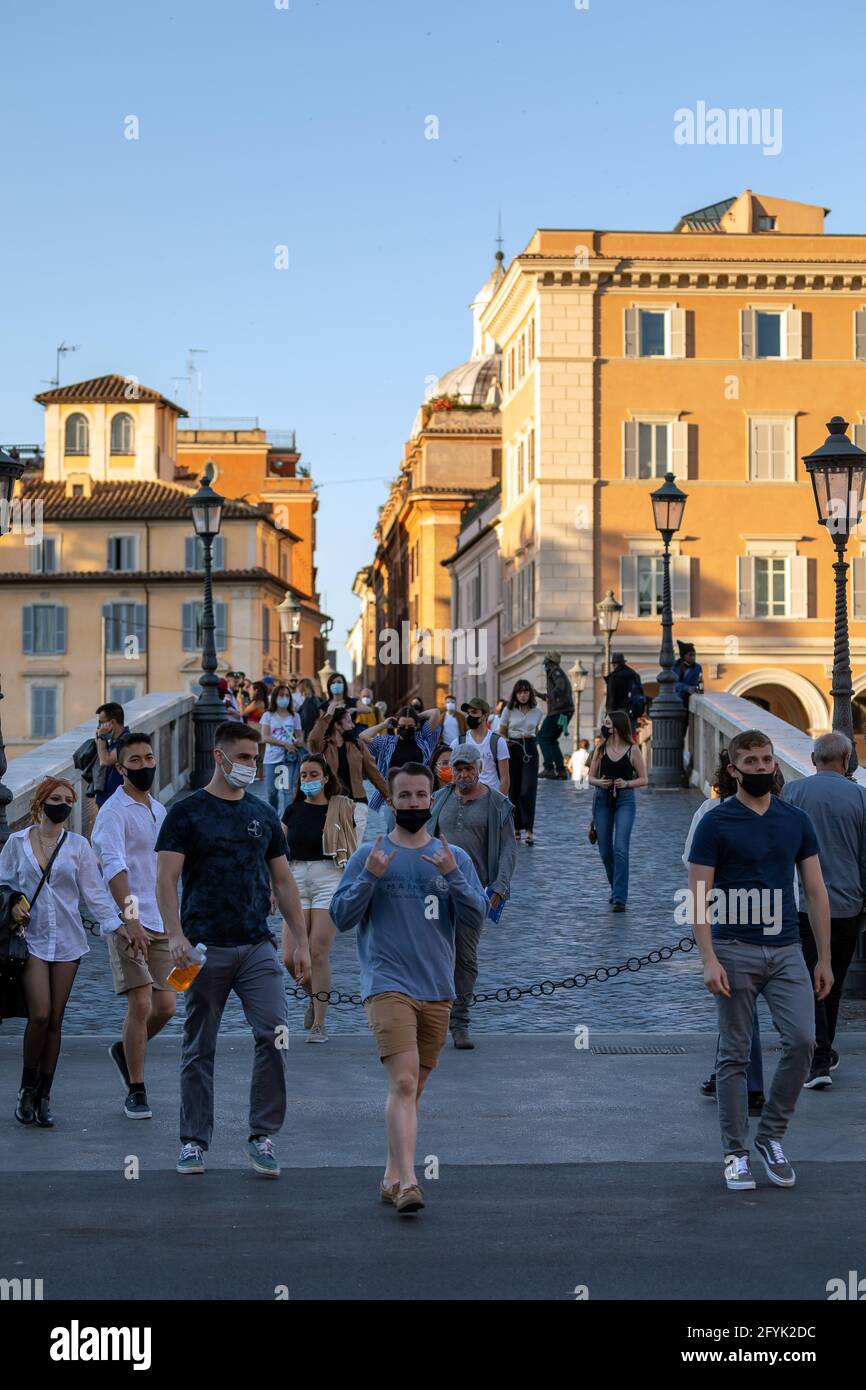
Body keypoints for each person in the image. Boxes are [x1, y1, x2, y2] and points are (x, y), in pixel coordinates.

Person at [155, 721, 311, 1178]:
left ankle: (262, 1135)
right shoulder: (186, 815)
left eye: (255, 759)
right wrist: (175, 936)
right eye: (243, 757)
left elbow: (283, 882)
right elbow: (165, 880)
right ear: (219, 757)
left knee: (275, 1032)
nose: (251, 766)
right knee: (199, 1046)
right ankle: (193, 1142)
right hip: (203, 949)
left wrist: (300, 941)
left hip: (256, 945)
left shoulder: (263, 815)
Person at [330, 762, 487, 1214]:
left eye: (421, 796)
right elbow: (341, 918)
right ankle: (410, 1182)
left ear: (431, 800)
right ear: (391, 801)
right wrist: (370, 876)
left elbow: (476, 919)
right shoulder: (370, 855)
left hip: (436, 987)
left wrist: (454, 874)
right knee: (401, 1081)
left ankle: (390, 1174)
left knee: (412, 1090)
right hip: (386, 984)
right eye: (405, 796)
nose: (414, 803)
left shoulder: (452, 855)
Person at [688, 728, 831, 1192]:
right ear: (733, 769)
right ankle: (735, 1151)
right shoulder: (716, 822)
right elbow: (697, 895)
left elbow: (814, 890)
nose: (762, 768)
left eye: (767, 760)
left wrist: (823, 958)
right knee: (733, 1055)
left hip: (788, 947)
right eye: (750, 762)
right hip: (734, 947)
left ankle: (771, 1136)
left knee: (804, 1042)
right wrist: (708, 958)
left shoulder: (795, 820)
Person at [0, 777, 120, 1127]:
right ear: (40, 802)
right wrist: (11, 907)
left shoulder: (78, 846)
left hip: (68, 941)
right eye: (56, 798)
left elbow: (95, 895)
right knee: (39, 1015)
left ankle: (44, 1095)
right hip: (31, 939)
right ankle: (26, 1088)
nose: (64, 805)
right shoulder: (17, 844)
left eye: (69, 800)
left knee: (55, 1019)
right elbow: (3, 884)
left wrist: (119, 927)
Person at [682, 759, 783, 1117]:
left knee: (738, 1005)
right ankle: (740, 1077)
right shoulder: (783, 814)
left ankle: (748, 1084)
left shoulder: (711, 811)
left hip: (731, 920)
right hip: (774, 921)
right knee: (740, 1006)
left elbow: (690, 863)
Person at [91, 732, 174, 1120]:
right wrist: (131, 919)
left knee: (167, 1007)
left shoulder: (160, 809)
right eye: (135, 761)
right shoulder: (112, 812)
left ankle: (125, 1050)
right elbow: (114, 868)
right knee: (140, 1003)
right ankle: (137, 1089)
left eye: (149, 758)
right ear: (120, 768)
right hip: (130, 923)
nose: (145, 766)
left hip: (162, 921)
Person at [781, 731, 866, 1089]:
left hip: (802, 903)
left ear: (814, 759)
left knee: (810, 977)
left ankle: (818, 1059)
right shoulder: (861, 797)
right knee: (834, 979)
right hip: (847, 904)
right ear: (846, 761)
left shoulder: (793, 793)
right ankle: (823, 1053)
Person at [427, 743, 516, 1049]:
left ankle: (460, 1022)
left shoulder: (497, 803)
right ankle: (433, 1018)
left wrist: (500, 888)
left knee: (465, 957)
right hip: (435, 891)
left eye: (468, 769)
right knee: (434, 954)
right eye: (458, 768)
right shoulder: (438, 800)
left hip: (474, 892)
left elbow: (508, 849)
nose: (463, 775)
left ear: (480, 768)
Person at [281, 753, 357, 1043]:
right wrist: (272, 885)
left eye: (314, 774)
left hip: (329, 876)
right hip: (296, 877)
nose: (309, 780)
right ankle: (315, 999)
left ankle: (320, 1023)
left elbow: (351, 847)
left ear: (326, 777)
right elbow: (277, 849)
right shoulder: (293, 810)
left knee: (316, 952)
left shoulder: (341, 808)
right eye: (304, 775)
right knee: (289, 956)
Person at [587, 710, 648, 911]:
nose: (605, 726)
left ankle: (620, 897)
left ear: (618, 726)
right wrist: (600, 783)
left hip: (625, 800)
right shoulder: (600, 748)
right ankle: (616, 888)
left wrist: (627, 783)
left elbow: (644, 779)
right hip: (602, 799)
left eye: (608, 723)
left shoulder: (633, 750)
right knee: (605, 851)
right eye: (604, 722)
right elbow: (590, 777)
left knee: (621, 848)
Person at [308, 701, 388, 842]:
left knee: (354, 845)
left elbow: (374, 774)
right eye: (349, 722)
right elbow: (313, 739)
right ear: (337, 725)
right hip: (331, 802)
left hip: (357, 802)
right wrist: (328, 715)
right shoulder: (324, 746)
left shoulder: (358, 745)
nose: (352, 725)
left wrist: (390, 797)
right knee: (335, 846)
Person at [359, 704, 443, 829]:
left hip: (419, 793)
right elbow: (363, 736)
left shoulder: (423, 739)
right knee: (393, 832)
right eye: (402, 726)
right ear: (397, 726)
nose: (406, 729)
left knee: (419, 831)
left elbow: (435, 712)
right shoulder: (388, 742)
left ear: (416, 726)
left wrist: (416, 716)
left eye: (410, 726)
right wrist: (384, 724)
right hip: (393, 795)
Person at [498, 680, 543, 842]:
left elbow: (536, 731)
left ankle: (529, 829)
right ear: (515, 695)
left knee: (528, 789)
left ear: (530, 693)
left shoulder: (537, 712)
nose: (523, 695)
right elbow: (501, 732)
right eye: (520, 692)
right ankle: (516, 827)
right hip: (513, 747)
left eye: (526, 692)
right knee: (514, 789)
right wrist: (506, 741)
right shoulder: (508, 711)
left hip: (530, 748)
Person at [259, 682, 303, 816]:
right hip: (271, 758)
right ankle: (274, 815)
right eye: (281, 695)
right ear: (274, 697)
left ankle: (286, 820)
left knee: (287, 790)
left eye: (286, 695)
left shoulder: (294, 716)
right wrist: (284, 744)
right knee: (272, 792)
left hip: (288, 758)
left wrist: (299, 741)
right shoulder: (268, 715)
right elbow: (265, 737)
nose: (284, 698)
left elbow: (300, 735)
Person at [452, 698, 510, 797]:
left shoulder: (497, 742)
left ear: (485, 715)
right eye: (468, 712)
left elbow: (505, 778)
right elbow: (452, 775)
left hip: (491, 796)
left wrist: (499, 804)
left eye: (474, 712)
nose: (469, 716)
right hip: (467, 798)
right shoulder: (458, 742)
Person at [536, 652, 574, 779]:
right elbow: (550, 696)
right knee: (552, 739)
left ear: (550, 663)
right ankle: (561, 770)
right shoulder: (557, 672)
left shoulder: (555, 672)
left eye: (546, 663)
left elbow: (560, 686)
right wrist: (537, 694)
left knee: (542, 737)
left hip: (559, 711)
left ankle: (549, 768)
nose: (545, 666)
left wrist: (552, 696)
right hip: (565, 711)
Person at [93, 703, 130, 809]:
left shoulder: (126, 742)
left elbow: (105, 760)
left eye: (101, 722)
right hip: (106, 801)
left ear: (112, 722)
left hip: (117, 804)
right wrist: (100, 737)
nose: (99, 727)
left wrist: (101, 736)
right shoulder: (112, 741)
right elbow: (100, 752)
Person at [604, 653, 645, 729]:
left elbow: (611, 700)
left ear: (614, 665)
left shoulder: (613, 677)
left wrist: (608, 716)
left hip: (618, 715)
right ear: (623, 662)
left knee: (619, 738)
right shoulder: (634, 675)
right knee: (630, 737)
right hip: (632, 714)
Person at [674, 642, 703, 707]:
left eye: (694, 655)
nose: (693, 657)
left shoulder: (697, 667)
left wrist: (697, 689)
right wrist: (686, 688)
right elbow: (671, 683)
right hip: (675, 701)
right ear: (683, 655)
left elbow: (700, 685)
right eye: (690, 655)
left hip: (689, 702)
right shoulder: (674, 666)